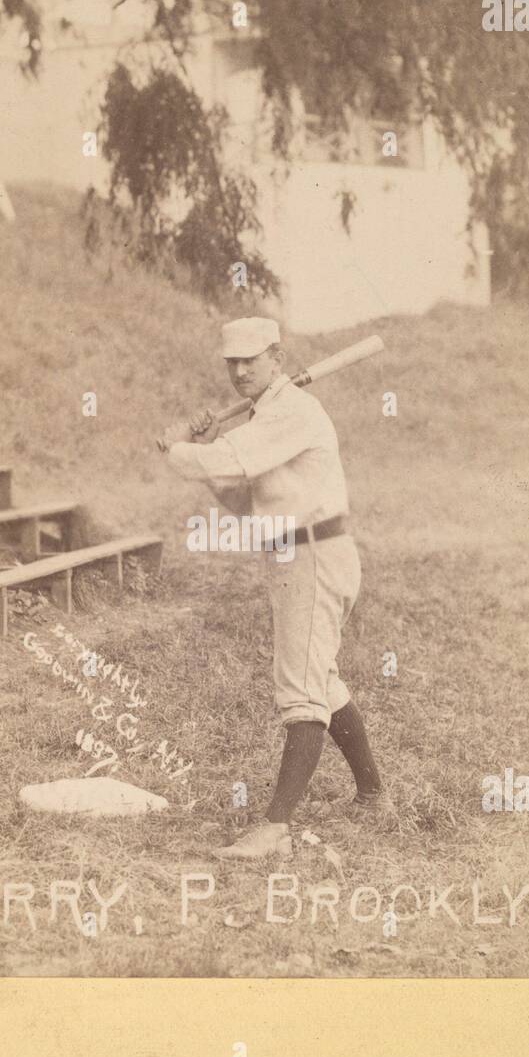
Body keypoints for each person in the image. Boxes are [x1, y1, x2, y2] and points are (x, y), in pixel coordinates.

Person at [159, 316, 381, 859]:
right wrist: (202, 450)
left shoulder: (292, 411)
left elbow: (228, 461)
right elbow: (241, 494)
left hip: (315, 553)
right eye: (232, 362)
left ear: (277, 358)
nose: (239, 371)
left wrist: (179, 450)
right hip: (295, 551)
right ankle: (374, 793)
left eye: (251, 360)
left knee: (301, 688)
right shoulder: (263, 417)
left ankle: (275, 829)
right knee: (318, 675)